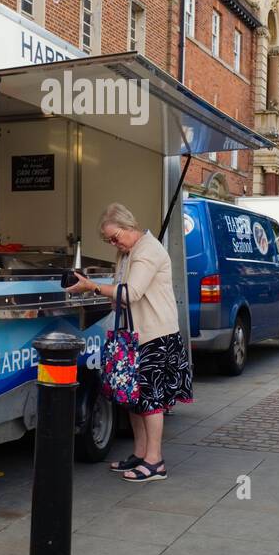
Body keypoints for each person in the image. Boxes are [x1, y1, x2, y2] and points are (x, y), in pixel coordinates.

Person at [66, 203, 192, 482]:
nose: (113, 243)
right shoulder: (128, 252)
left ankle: (155, 462)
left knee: (150, 400)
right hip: (135, 336)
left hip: (155, 336)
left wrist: (92, 286)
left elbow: (130, 293)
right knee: (134, 400)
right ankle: (140, 454)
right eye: (108, 240)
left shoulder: (147, 251)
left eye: (115, 237)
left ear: (129, 226)